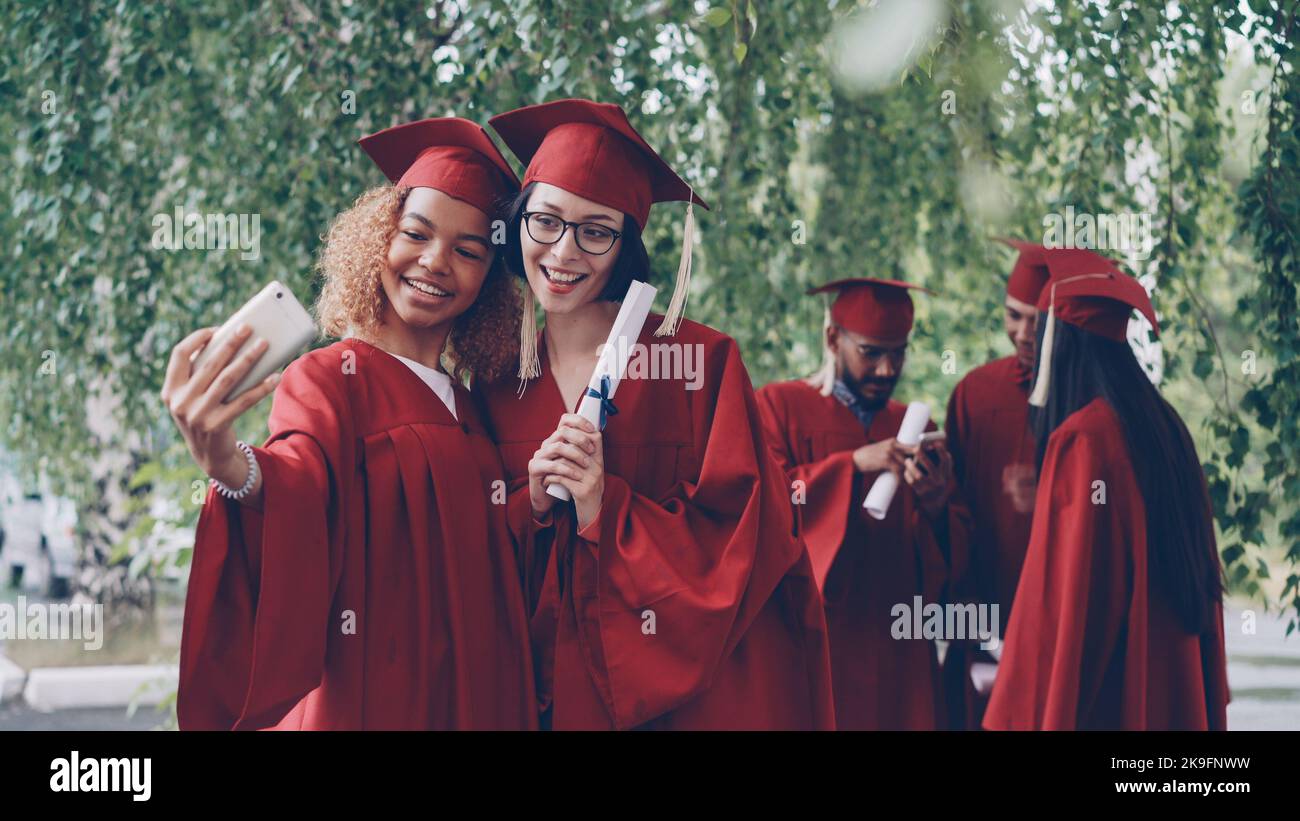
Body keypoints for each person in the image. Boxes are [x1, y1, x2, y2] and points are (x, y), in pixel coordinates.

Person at [477, 98, 835, 730]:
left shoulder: (699, 364)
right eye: (546, 222)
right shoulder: (494, 379)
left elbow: (748, 541)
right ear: (518, 221)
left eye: (595, 231)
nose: (564, 253)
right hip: (536, 698)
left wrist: (603, 509)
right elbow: (464, 559)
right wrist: (530, 508)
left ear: (626, 246)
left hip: (682, 706)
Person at [169, 118, 536, 729]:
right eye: (414, 233)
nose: (435, 261)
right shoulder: (330, 378)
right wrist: (230, 464)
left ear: (490, 283)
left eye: (469, 251)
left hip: (471, 699)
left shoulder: (472, 408)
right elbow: (299, 482)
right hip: (373, 700)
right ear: (376, 243)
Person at [983, 260, 1230, 730]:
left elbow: (1066, 602)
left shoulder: (1084, 440)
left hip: (1110, 697)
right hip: (1169, 681)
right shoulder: (1165, 427)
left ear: (1063, 344)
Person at [756, 277, 958, 730]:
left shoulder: (910, 424)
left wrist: (936, 505)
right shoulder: (778, 406)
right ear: (832, 338)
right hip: (815, 639)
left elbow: (946, 557)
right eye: (871, 352)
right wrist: (851, 465)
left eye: (898, 352)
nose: (887, 369)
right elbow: (763, 507)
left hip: (898, 646)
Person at [940, 238, 1051, 729]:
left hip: (1056, 610)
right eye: (1013, 316)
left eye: (1038, 320)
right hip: (984, 607)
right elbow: (954, 510)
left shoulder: (1089, 405)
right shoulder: (975, 393)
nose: (1023, 333)